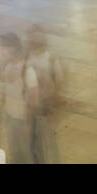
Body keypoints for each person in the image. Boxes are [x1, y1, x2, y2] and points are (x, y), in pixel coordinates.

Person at [26, 27, 63, 164]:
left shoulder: (51, 57)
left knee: (49, 140)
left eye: (38, 37)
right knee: (33, 141)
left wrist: (56, 100)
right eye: (33, 37)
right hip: (31, 106)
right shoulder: (27, 57)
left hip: (46, 105)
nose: (35, 40)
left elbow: (59, 80)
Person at [1, 33, 37, 164]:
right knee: (14, 153)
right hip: (10, 116)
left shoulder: (28, 71)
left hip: (22, 120)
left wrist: (28, 125)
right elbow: (5, 91)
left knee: (26, 156)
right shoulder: (7, 66)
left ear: (13, 48)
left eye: (5, 47)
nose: (2, 51)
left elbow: (33, 101)